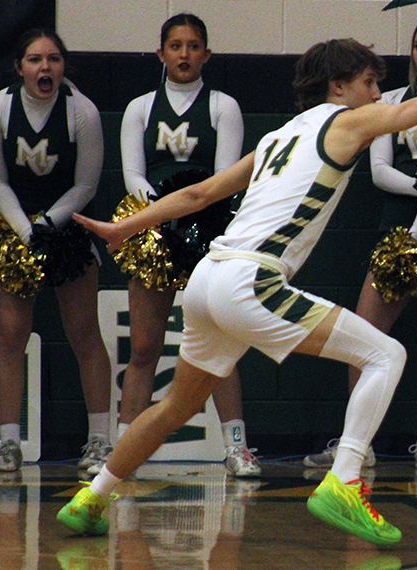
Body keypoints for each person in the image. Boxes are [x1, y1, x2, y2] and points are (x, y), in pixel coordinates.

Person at [57, 10, 417, 545]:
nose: (378, 94)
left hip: (208, 278)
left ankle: (93, 495)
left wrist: (127, 226)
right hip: (249, 281)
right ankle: (344, 480)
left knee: (177, 407)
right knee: (386, 356)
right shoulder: (345, 122)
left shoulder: (278, 137)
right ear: (338, 86)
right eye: (369, 82)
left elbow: (200, 193)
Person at [305, 11, 417, 471]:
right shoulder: (387, 101)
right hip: (395, 232)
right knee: (363, 334)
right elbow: (380, 172)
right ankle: (357, 444)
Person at [101, 13, 259, 478]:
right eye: (175, 46)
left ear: (206, 54)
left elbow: (225, 176)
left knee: (218, 346)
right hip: (153, 234)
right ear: (161, 53)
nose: (184, 54)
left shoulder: (223, 106)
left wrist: (190, 216)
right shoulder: (139, 108)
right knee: (144, 347)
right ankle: (122, 452)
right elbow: (133, 173)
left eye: (193, 46)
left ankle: (237, 448)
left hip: (206, 234)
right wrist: (158, 213)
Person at [0, 29, 112, 473]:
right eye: (35, 59)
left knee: (85, 333)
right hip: (15, 230)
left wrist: (48, 224)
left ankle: (99, 441)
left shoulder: (82, 111)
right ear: (19, 67)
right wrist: (25, 229)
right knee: (10, 335)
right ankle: (7, 442)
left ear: (63, 67)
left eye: (54, 59)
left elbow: (86, 185)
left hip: (68, 228)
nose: (45, 67)